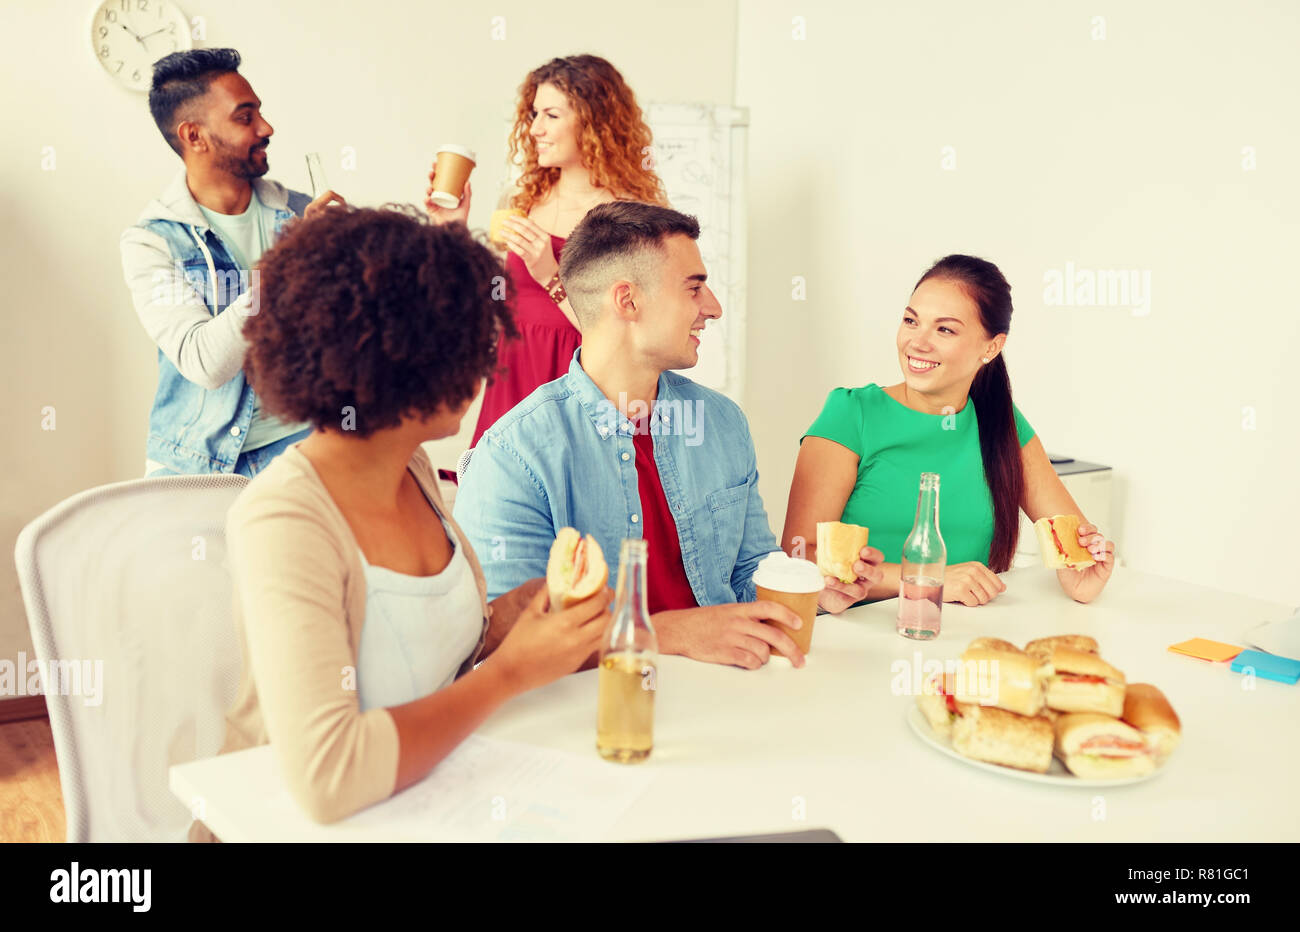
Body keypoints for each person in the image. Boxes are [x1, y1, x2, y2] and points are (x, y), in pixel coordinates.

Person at [189, 206, 612, 838]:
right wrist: (513, 671)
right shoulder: (284, 520)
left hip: (423, 807)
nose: (489, 364)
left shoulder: (411, 468)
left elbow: (418, 658)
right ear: (409, 360)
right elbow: (330, 777)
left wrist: (504, 625)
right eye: (474, 343)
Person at [453, 202, 884, 671]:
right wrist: (665, 634)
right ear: (627, 301)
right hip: (596, 716)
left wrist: (812, 589)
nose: (713, 308)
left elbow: (748, 573)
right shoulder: (515, 454)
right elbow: (502, 641)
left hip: (727, 690)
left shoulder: (722, 423)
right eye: (694, 288)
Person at [782, 254, 1116, 607]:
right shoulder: (851, 414)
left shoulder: (1002, 424)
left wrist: (1080, 573)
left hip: (963, 637)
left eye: (945, 329)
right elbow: (797, 555)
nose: (918, 342)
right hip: (859, 636)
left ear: (991, 347)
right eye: (911, 321)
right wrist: (929, 579)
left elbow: (1072, 540)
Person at [424, 54, 668, 447]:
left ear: (593, 120)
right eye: (534, 114)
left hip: (582, 383)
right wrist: (451, 230)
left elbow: (633, 331)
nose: (535, 128)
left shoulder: (631, 215)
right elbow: (494, 302)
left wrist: (550, 275)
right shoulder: (521, 197)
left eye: (551, 115)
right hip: (513, 372)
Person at [120, 48, 343, 477]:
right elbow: (205, 363)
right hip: (195, 463)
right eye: (245, 118)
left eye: (260, 111)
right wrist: (287, 267)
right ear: (194, 136)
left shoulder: (303, 214)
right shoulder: (152, 241)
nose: (266, 127)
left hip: (304, 445)